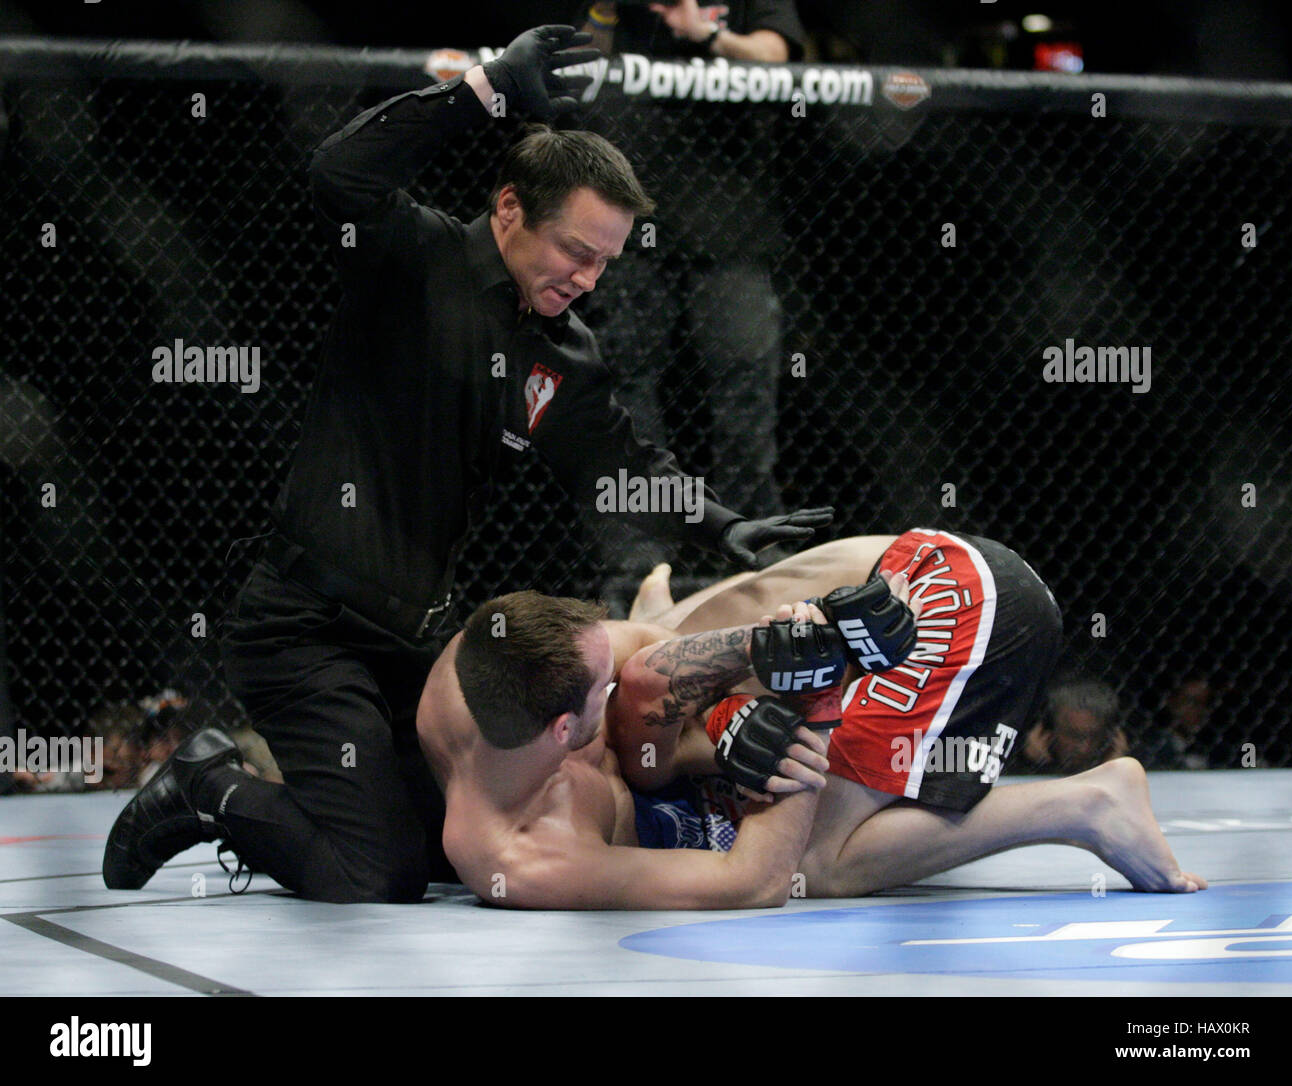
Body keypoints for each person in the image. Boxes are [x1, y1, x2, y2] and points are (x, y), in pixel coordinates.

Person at [102, 26, 831, 902]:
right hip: (305, 629)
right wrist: (481, 90)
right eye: (575, 251)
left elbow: (615, 464)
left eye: (604, 259)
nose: (588, 278)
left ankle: (330, 799)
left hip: (411, 643)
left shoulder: (565, 351)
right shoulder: (418, 262)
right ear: (511, 209)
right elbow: (338, 174)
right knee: (379, 871)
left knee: (465, 847)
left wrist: (727, 522)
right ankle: (208, 783)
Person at [419, 530, 1205, 908]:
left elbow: (665, 679)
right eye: (592, 698)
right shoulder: (523, 858)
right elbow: (749, 885)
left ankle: (1087, 804)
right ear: (560, 732)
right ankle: (1086, 798)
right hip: (942, 580)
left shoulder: (494, 664)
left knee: (819, 862)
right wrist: (798, 706)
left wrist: (798, 697)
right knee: (671, 699)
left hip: (948, 599)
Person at [577, 2, 809, 609]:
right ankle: (636, 562)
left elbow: (776, 53)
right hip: (629, 216)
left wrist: (705, 32)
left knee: (744, 391)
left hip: (731, 225)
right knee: (626, 394)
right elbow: (577, 62)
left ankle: (755, 547)